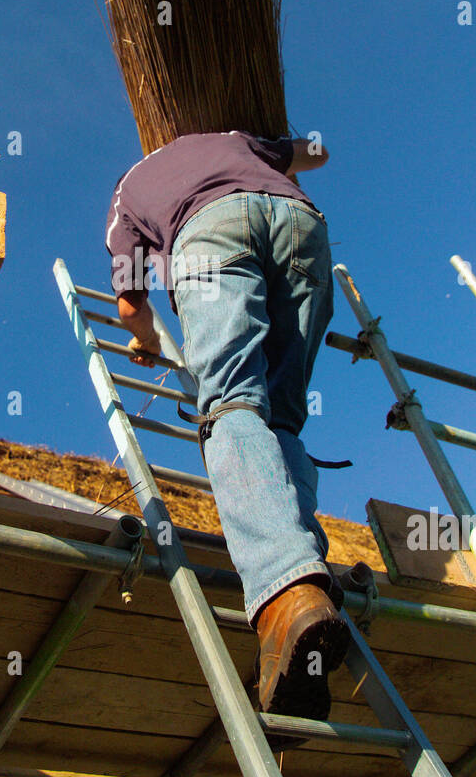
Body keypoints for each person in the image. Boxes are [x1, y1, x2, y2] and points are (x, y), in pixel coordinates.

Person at [105, 130, 349, 721]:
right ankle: (306, 581)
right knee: (284, 418)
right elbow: (318, 151)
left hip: (208, 234)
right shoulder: (238, 139)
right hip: (299, 223)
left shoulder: (128, 190)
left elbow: (132, 302)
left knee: (234, 403)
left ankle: (286, 593)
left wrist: (144, 344)